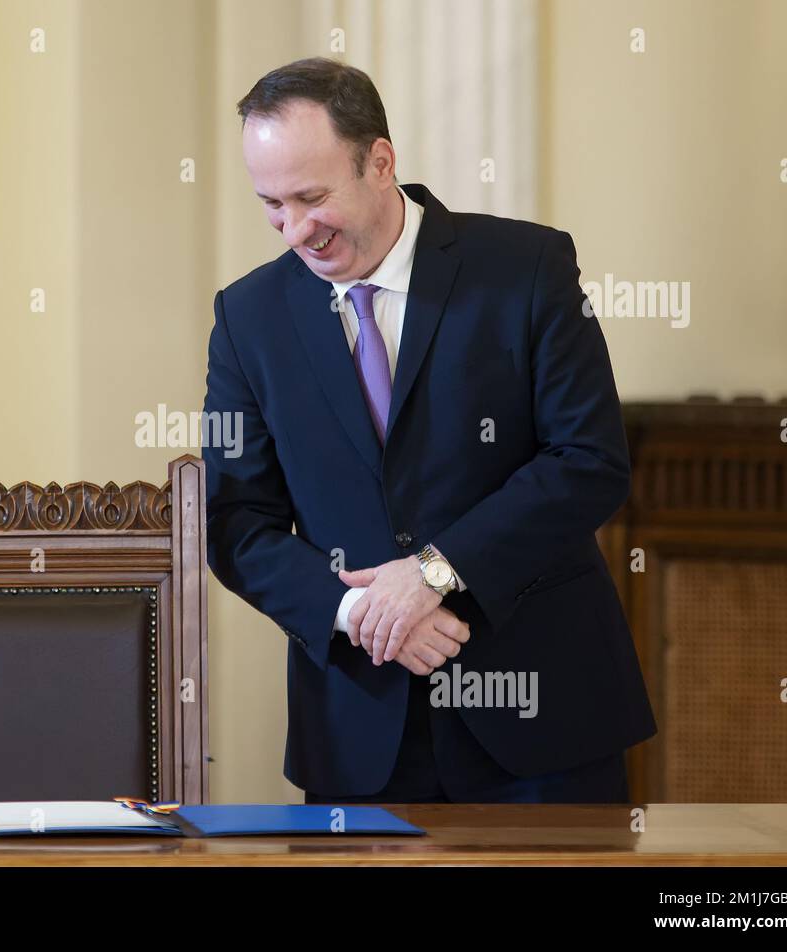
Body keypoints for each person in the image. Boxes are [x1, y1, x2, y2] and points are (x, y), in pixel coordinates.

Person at [201, 57, 656, 804]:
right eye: (272, 205)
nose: (296, 230)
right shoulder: (245, 319)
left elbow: (589, 461)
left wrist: (435, 574)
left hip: (541, 718)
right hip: (359, 731)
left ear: (380, 161)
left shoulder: (528, 267)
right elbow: (234, 520)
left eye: (313, 197)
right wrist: (364, 613)